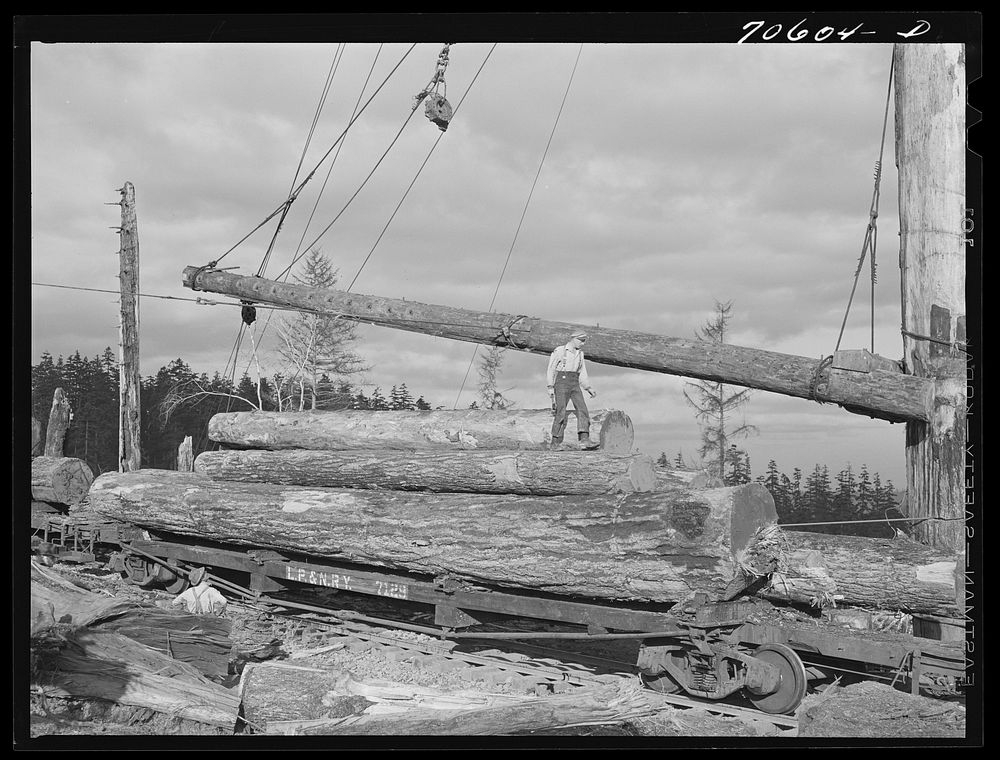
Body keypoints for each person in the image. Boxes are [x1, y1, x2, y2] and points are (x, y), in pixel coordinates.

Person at [546, 330, 599, 450]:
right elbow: (551, 369)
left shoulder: (580, 354)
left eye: (584, 341)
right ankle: (555, 442)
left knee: (583, 409)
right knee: (561, 412)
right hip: (561, 383)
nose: (583, 343)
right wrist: (550, 387)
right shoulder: (560, 350)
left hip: (575, 383)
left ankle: (584, 440)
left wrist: (588, 387)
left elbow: (582, 372)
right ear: (574, 339)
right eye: (581, 341)